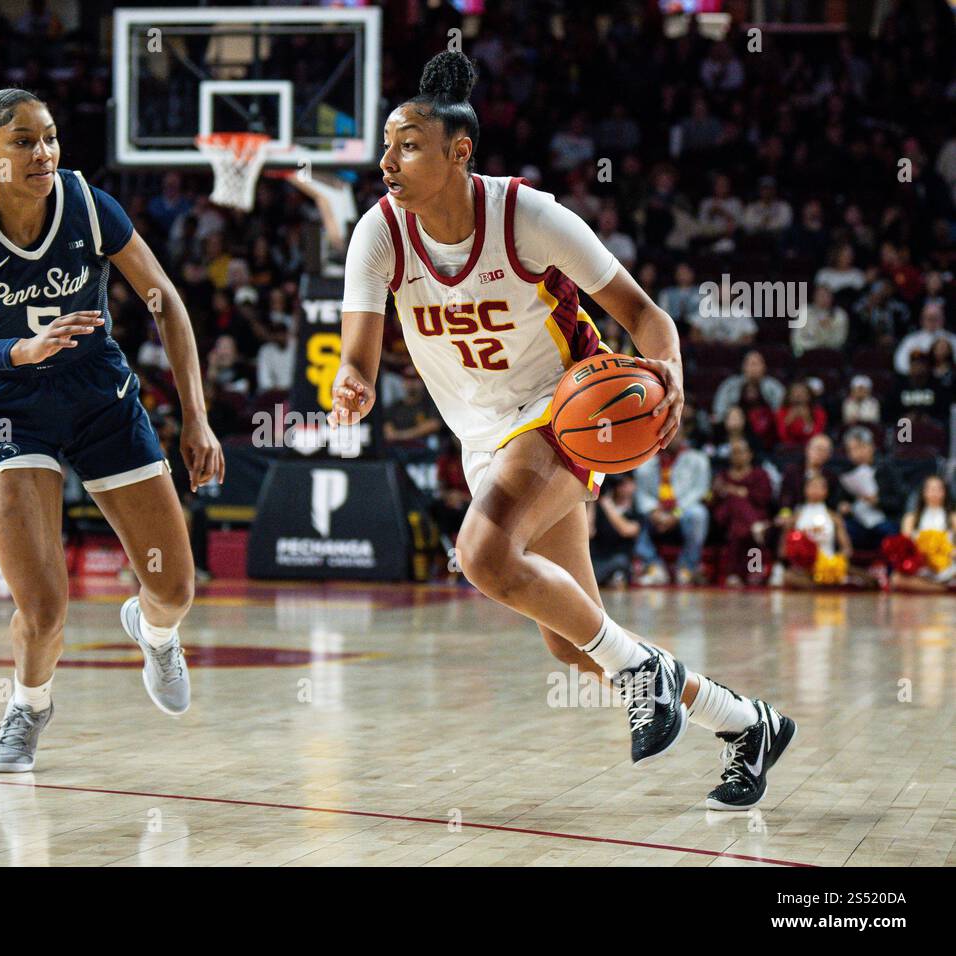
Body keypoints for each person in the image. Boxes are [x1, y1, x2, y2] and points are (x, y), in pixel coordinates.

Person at [333, 51, 794, 811]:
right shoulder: (379, 234)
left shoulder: (528, 216)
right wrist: (350, 382)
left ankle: (643, 673)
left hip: (567, 408)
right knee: (569, 637)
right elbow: (357, 351)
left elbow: (646, 317)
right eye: (386, 145)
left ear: (458, 153)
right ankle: (748, 723)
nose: (388, 160)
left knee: (480, 554)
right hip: (480, 433)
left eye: (407, 144)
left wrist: (669, 372)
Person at [0, 82, 223, 772]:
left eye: (49, 136)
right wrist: (13, 352)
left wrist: (196, 417)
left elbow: (165, 303)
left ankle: (153, 632)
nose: (43, 152)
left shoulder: (88, 205)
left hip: (98, 399)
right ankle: (27, 708)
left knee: (174, 587)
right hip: (7, 408)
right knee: (45, 604)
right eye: (23, 141)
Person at [632, 430, 711, 586]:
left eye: (675, 434)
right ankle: (653, 565)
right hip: (657, 513)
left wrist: (676, 514)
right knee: (633, 515)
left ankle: (687, 567)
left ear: (683, 436)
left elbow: (699, 491)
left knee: (699, 514)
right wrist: (653, 511)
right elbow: (641, 494)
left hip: (684, 512)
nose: (670, 438)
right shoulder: (645, 461)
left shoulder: (698, 459)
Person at [710, 438, 775, 587]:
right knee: (736, 502)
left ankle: (733, 573)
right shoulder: (723, 476)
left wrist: (742, 493)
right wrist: (725, 492)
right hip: (727, 515)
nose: (737, 456)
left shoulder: (760, 474)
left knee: (740, 530)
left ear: (749, 454)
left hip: (748, 517)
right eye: (734, 453)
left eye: (740, 452)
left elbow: (764, 498)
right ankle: (755, 568)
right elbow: (713, 502)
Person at [587, 475, 641, 587]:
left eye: (625, 483)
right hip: (598, 557)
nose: (621, 488)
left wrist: (606, 503)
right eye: (618, 484)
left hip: (620, 558)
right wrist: (593, 498)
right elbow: (588, 532)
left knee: (619, 561)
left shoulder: (637, 510)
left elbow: (626, 530)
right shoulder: (599, 507)